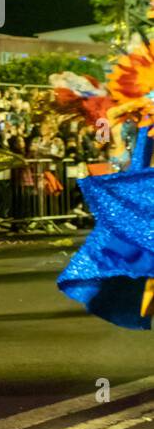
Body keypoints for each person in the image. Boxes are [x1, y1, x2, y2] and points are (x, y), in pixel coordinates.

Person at [58, 41, 154, 329]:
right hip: (145, 200)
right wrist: (129, 114)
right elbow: (113, 124)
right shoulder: (142, 117)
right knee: (149, 275)